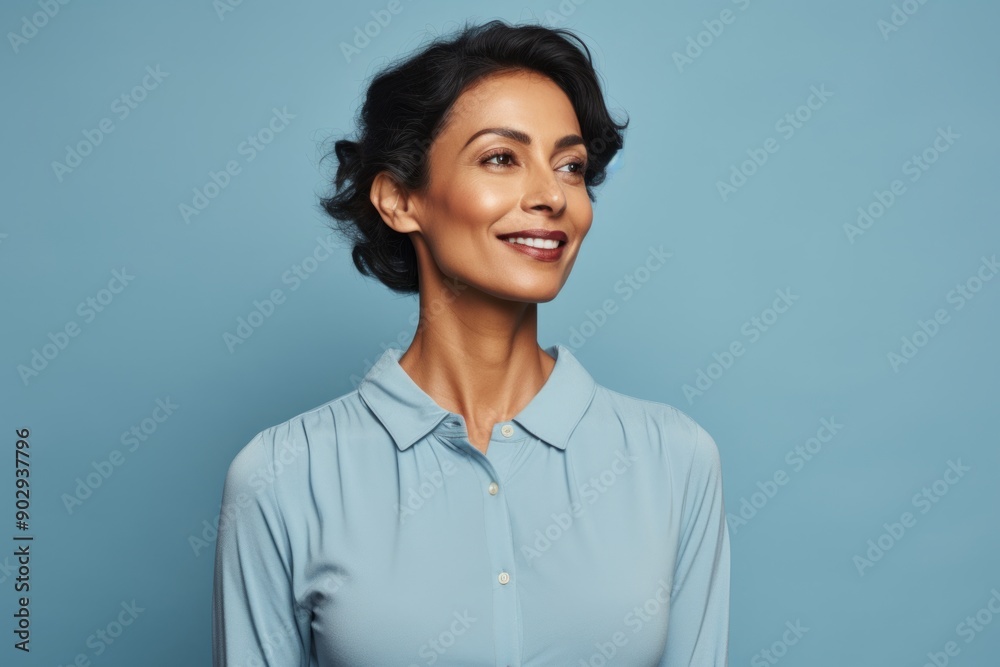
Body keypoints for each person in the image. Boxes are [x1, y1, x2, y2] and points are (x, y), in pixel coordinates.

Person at [212, 18, 730, 666]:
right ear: (400, 199)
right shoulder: (282, 476)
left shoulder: (675, 459)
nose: (551, 196)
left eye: (570, 166)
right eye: (500, 158)